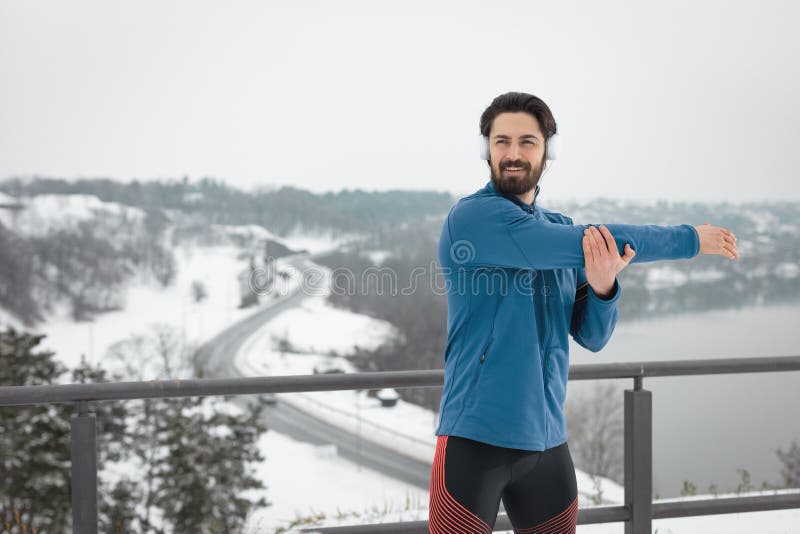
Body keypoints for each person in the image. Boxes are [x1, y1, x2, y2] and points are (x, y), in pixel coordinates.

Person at [428, 92, 739, 533]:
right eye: (501, 141)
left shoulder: (557, 229)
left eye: (527, 141)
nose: (513, 153)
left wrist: (603, 285)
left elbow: (592, 336)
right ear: (487, 148)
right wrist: (690, 239)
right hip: (474, 441)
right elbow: (606, 237)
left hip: (549, 446)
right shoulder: (475, 218)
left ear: (547, 151)